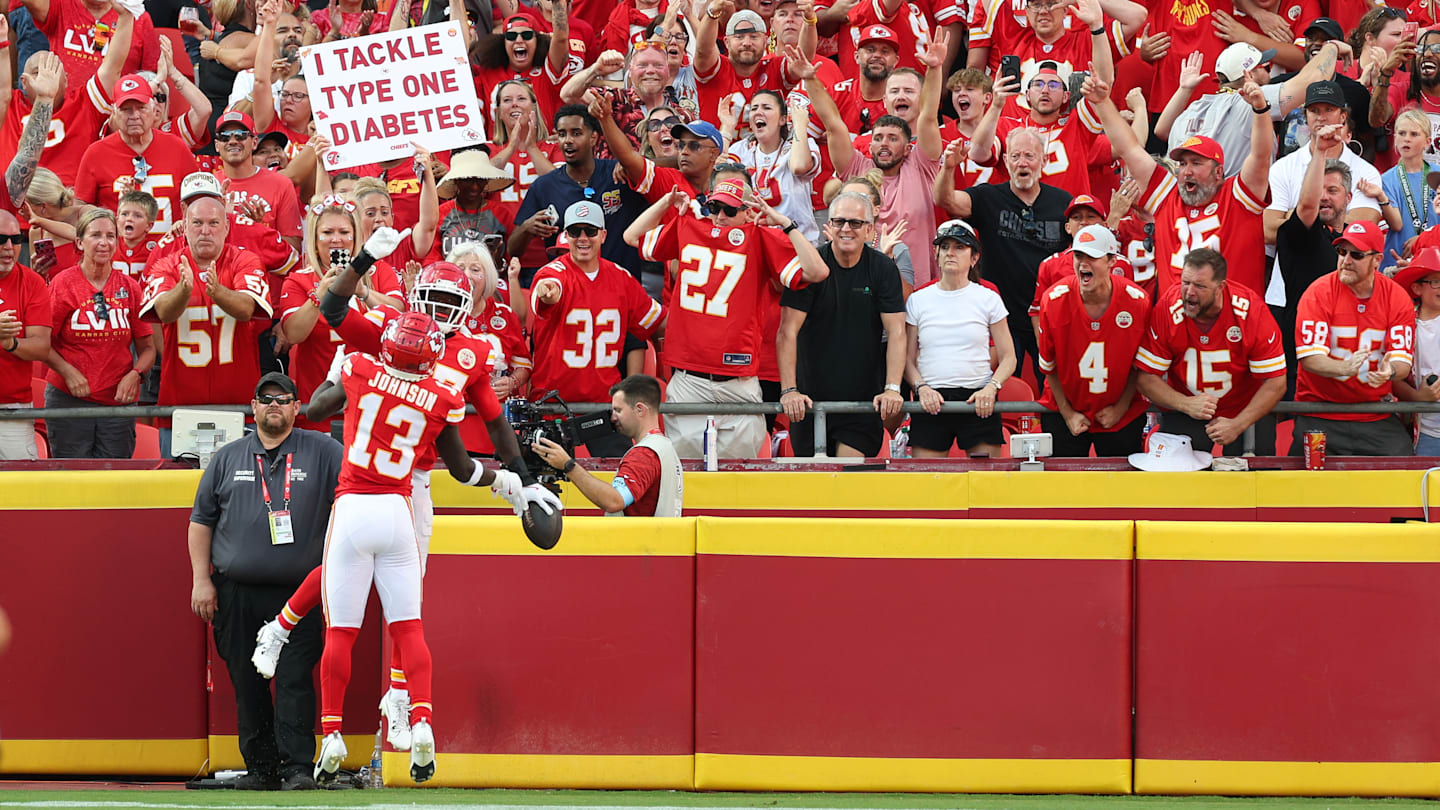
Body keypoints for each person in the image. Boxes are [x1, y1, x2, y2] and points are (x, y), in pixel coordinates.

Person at [301, 310, 557, 785]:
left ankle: (332, 733)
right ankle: (423, 723)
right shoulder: (441, 395)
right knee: (410, 628)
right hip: (400, 511)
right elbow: (461, 470)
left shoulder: (361, 369)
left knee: (341, 632)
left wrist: (339, 369)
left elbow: (314, 411)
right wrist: (509, 484)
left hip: (354, 506)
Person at [187, 372, 342, 792]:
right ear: (252, 408)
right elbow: (201, 521)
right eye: (265, 399)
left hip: (300, 593)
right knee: (245, 677)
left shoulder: (325, 451)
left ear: (296, 408)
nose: (274, 405)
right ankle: (260, 768)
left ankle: (296, 769)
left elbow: (351, 507)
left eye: (283, 398)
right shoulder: (227, 457)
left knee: (293, 676)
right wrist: (202, 580)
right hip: (236, 591)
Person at [625, 178, 829, 458]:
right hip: (689, 376)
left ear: (748, 211)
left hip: (738, 378)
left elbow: (817, 271)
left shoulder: (761, 236)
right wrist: (667, 202)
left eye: (730, 210)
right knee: (688, 475)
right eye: (714, 207)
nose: (720, 216)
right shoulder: (688, 226)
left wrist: (784, 222)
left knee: (739, 475)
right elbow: (632, 237)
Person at [1089, 74, 1273, 297]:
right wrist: (1103, 103)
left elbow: (1261, 156)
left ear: (1218, 172)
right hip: (1175, 324)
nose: (1186, 170)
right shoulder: (1167, 197)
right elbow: (1129, 148)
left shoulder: (1238, 197)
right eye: (1182, 163)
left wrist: (1261, 110)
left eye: (1196, 163)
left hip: (1231, 324)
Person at [139, 174, 273, 458]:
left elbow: (248, 309)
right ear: (184, 227)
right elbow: (163, 311)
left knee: (238, 491)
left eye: (213, 223)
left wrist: (217, 291)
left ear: (226, 227)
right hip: (180, 406)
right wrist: (184, 290)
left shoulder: (245, 261)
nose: (205, 231)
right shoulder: (166, 264)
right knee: (178, 497)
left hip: (239, 407)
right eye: (197, 223)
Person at [805, 34, 948, 285]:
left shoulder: (921, 161)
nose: (884, 143)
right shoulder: (860, 162)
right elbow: (833, 125)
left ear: (907, 149)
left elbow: (927, 117)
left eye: (893, 139)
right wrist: (809, 79)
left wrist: (935, 69)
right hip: (863, 284)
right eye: (879, 138)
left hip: (919, 283)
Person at [935, 127, 1071, 383]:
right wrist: (948, 168)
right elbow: (946, 201)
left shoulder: (1063, 203)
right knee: (996, 390)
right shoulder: (988, 196)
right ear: (1006, 162)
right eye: (1015, 156)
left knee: (1057, 389)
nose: (1022, 163)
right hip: (999, 316)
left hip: (1048, 316)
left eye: (1030, 156)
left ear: (1044, 160)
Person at [529, 201, 665, 457]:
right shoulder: (553, 273)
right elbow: (547, 290)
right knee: (546, 486)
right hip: (554, 405)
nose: (583, 238)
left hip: (604, 407)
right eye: (575, 231)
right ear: (565, 235)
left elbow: (656, 321)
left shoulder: (621, 278)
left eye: (590, 231)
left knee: (618, 481)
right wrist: (549, 293)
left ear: (603, 235)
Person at [778, 191, 906, 457]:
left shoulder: (883, 268)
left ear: (870, 229)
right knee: (815, 491)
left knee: (849, 484)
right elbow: (787, 331)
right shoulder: (810, 266)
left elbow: (896, 332)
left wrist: (892, 388)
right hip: (809, 401)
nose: (846, 229)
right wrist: (789, 390)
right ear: (829, 227)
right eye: (839, 222)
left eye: (855, 223)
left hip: (860, 402)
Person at [1135, 247, 1286, 456]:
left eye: (1199, 286)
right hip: (1186, 406)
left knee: (1258, 478)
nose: (1189, 293)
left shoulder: (1251, 311)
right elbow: (1145, 377)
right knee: (1177, 479)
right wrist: (1184, 403)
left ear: (1220, 287)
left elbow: (1276, 382)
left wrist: (1238, 424)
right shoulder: (1168, 307)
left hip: (1243, 407)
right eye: (1185, 282)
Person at [1292, 220, 1416, 456]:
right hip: (1320, 410)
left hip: (1374, 413)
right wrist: (1344, 367)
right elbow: (1310, 358)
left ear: (1377, 260)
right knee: (1297, 481)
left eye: (1356, 255)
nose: (1346, 260)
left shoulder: (1396, 297)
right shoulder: (1319, 292)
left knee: (1405, 466)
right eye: (1342, 252)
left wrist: (1388, 372)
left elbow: (1402, 362)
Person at [42, 209, 155, 458]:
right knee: (72, 481)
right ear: (80, 242)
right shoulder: (63, 284)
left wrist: (135, 374)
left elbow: (148, 348)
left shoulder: (130, 287)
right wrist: (68, 372)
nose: (104, 242)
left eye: (110, 236)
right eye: (95, 235)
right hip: (68, 399)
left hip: (117, 401)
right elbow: (42, 344)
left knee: (113, 481)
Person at [1035, 224, 1151, 457]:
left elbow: (1140, 367)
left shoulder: (1137, 302)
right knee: (1064, 488)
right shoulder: (1053, 301)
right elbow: (1050, 367)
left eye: (1093, 256)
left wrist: (1120, 409)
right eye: (1079, 255)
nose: (1083, 263)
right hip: (1064, 410)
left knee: (1120, 488)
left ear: (1111, 261)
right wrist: (1068, 413)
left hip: (1121, 412)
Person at [902, 219, 1015, 458]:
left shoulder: (988, 298)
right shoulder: (918, 299)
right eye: (945, 247)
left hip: (978, 398)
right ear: (936, 254)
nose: (950, 253)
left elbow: (1008, 357)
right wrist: (921, 388)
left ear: (974, 258)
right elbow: (907, 359)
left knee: (986, 485)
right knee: (929, 484)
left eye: (959, 247)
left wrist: (991, 388)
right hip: (930, 399)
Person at [515, 105, 654, 293]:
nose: (568, 141)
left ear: (593, 138)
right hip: (569, 292)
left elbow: (674, 167)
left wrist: (636, 164)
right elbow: (513, 250)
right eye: (562, 134)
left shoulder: (619, 173)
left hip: (623, 290)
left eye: (576, 133)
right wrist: (526, 228)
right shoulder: (544, 186)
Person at [1160, 38, 1349, 175]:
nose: (1269, 72)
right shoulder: (1249, 100)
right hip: (1233, 209)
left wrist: (1184, 89)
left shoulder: (1192, 108)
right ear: (1250, 73)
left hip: (1186, 211)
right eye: (1265, 66)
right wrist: (1332, 46)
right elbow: (1313, 79)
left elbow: (1162, 131)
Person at [0, 12, 133, 189]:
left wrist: (126, 16)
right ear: (23, 82)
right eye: (37, 72)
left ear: (67, 79)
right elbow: (3, 93)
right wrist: (2, 42)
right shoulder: (10, 105)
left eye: (53, 71)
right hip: (14, 201)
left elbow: (112, 69)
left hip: (68, 204)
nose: (45, 78)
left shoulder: (85, 103)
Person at [1272, 126, 1352, 399]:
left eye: (1333, 190)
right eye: (1320, 189)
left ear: (1348, 198)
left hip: (1350, 355)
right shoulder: (1299, 233)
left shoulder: (1356, 241)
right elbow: (1307, 208)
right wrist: (1318, 152)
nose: (1323, 197)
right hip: (1304, 359)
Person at [532, 374, 683, 516]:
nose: (612, 418)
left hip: (639, 543)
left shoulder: (644, 454)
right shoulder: (665, 446)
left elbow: (614, 501)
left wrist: (568, 465)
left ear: (639, 409)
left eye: (618, 410)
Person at [73, 74, 200, 237]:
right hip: (117, 256)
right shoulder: (96, 153)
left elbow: (198, 198)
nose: (134, 115)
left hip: (169, 255)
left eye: (141, 108)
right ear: (114, 113)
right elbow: (80, 207)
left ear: (155, 110)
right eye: (126, 109)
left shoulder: (177, 147)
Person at [725, 90, 821, 242]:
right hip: (756, 243)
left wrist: (800, 125)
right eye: (754, 108)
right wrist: (727, 128)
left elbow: (799, 166)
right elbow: (720, 181)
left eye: (766, 108)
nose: (758, 112)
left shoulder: (802, 144)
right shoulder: (741, 150)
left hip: (797, 245)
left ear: (783, 119)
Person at [0, 208, 51, 460]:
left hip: (13, 409)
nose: (9, 247)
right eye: (1, 239)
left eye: (16, 238)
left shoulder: (32, 282)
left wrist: (10, 343)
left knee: (21, 494)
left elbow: (41, 348)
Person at [213, 110, 303, 250]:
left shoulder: (281, 184)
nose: (233, 141)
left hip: (265, 270)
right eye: (224, 137)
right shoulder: (207, 185)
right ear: (217, 145)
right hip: (218, 270)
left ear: (254, 142)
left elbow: (293, 248)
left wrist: (258, 229)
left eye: (240, 135)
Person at [1390, 247, 1440, 455]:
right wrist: (1418, 397)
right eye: (1436, 282)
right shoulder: (1405, 325)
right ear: (1417, 288)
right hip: (1426, 432)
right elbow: (1394, 380)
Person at [1377, 109, 1439, 272]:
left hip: (1434, 260)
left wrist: (1422, 239)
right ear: (1395, 138)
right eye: (1402, 133)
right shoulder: (1386, 180)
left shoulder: (1437, 175)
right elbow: (1397, 224)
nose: (1407, 139)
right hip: (1396, 260)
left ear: (1427, 141)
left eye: (1414, 134)